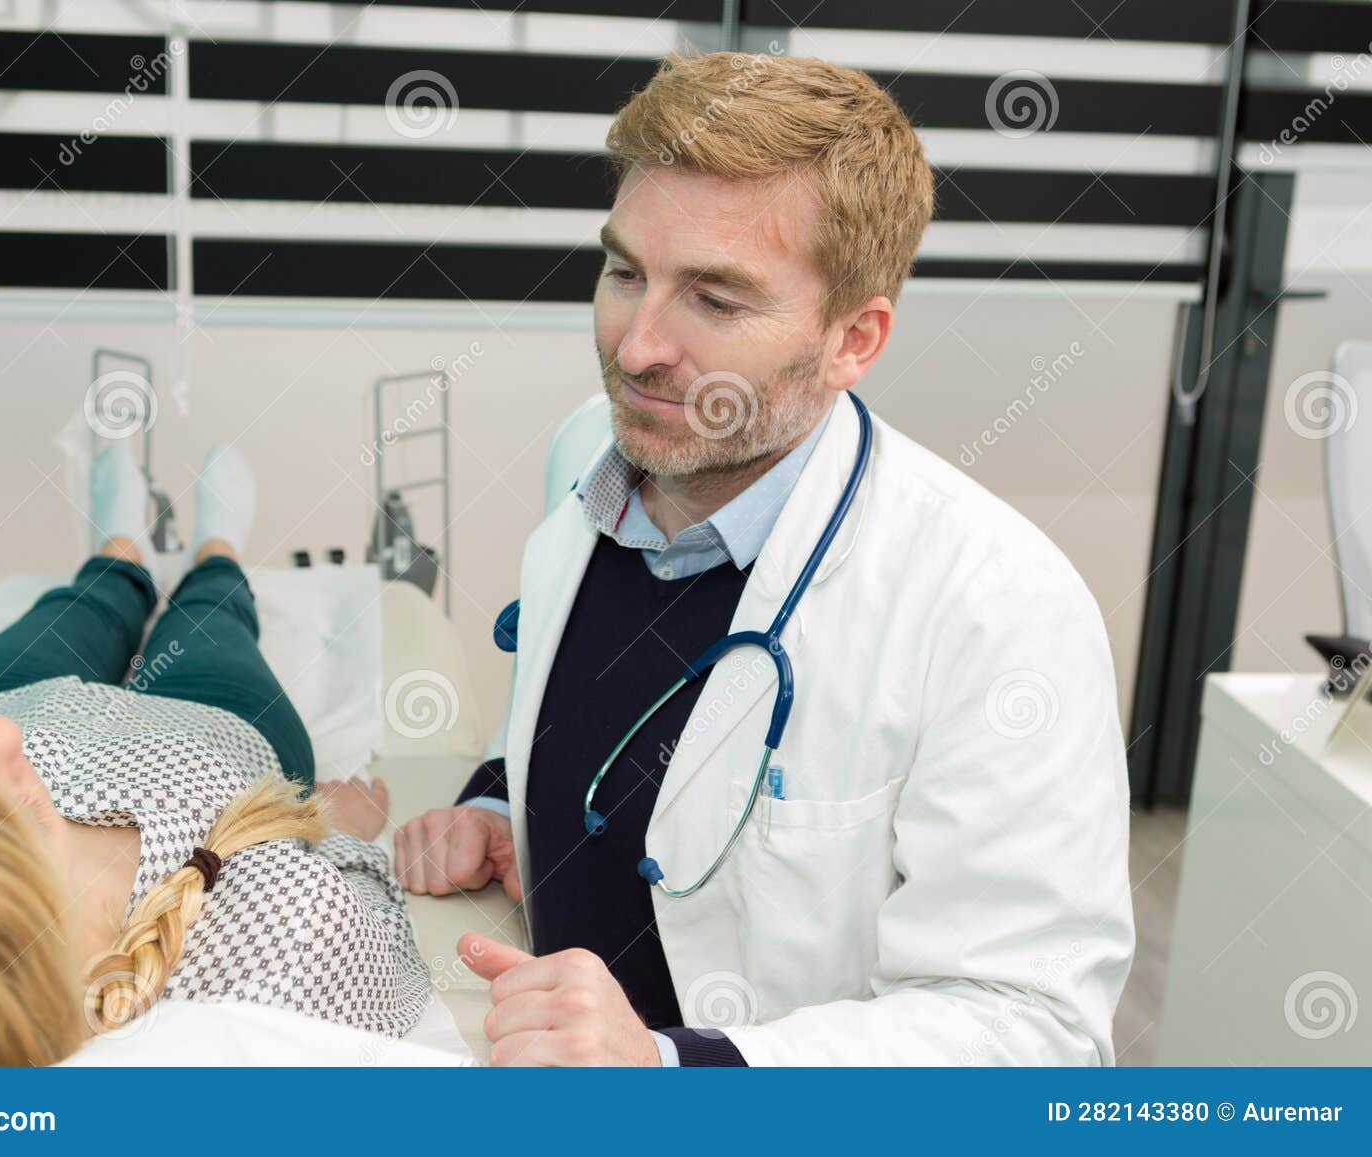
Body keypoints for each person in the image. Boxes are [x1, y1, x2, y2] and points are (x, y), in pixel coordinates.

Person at [394, 52, 1135, 1067]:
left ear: (851, 340)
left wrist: (676, 1068)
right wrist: (497, 796)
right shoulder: (596, 455)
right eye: (624, 273)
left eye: (715, 299)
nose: (638, 345)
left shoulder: (996, 606)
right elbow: (599, 709)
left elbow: (1030, 1028)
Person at [0, 445, 429, 1066]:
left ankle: (120, 554)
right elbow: (387, 953)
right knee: (214, 616)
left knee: (88, 602)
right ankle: (216, 554)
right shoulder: (288, 937)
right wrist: (337, 832)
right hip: (215, 729)